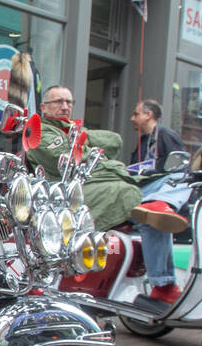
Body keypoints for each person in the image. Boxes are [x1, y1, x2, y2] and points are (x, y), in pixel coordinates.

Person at [29, 85, 187, 304]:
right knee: (131, 195)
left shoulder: (72, 131)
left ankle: (158, 205)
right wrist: (83, 143)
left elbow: (115, 141)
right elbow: (62, 157)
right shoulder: (39, 131)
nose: (65, 106)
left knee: (179, 179)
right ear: (44, 107)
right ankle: (163, 284)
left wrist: (80, 139)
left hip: (112, 180)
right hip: (75, 193)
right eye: (59, 102)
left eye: (69, 102)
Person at [128, 99, 184, 171]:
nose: (132, 119)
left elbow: (178, 168)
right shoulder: (143, 139)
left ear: (148, 115)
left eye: (136, 114)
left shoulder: (166, 136)